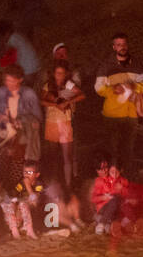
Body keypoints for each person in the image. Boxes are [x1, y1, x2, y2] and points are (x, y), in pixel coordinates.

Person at [95, 35, 143, 175]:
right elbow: (98, 88)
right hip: (112, 115)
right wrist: (113, 89)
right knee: (112, 150)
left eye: (124, 44)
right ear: (114, 47)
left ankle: (127, 181)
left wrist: (134, 86)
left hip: (131, 114)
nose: (122, 47)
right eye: (119, 44)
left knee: (129, 149)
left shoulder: (136, 65)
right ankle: (112, 182)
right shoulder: (106, 65)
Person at [40, 60, 83, 190]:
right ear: (53, 74)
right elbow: (41, 100)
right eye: (57, 73)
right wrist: (56, 105)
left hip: (65, 122)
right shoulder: (48, 86)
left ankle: (68, 185)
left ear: (66, 75)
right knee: (52, 155)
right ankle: (53, 183)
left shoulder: (69, 85)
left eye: (62, 73)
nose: (59, 76)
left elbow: (81, 95)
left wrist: (68, 101)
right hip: (51, 122)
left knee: (67, 156)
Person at [91, 156, 130, 234]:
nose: (104, 171)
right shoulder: (99, 181)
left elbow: (126, 193)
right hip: (103, 207)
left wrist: (122, 189)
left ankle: (116, 225)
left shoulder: (115, 179)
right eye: (101, 169)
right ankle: (101, 223)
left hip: (114, 207)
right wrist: (104, 197)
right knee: (115, 200)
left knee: (122, 203)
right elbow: (93, 199)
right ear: (97, 170)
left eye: (106, 168)